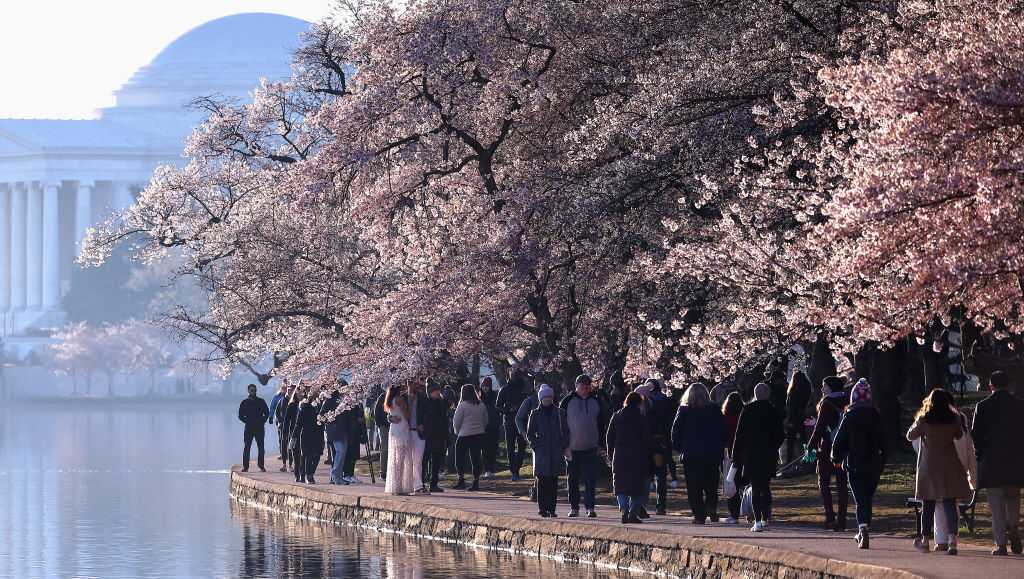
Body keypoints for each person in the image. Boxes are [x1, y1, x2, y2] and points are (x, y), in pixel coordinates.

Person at [908, 388, 971, 555]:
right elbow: (958, 436)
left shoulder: (924, 420)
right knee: (950, 503)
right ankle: (952, 541)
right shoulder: (954, 419)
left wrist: (918, 422)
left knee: (927, 504)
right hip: (950, 463)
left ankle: (925, 540)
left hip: (929, 466)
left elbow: (909, 435)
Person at [972, 370, 1024, 556]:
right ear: (1009, 385)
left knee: (996, 506)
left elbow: (975, 435)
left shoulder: (983, 406)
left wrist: (981, 453)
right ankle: (1014, 527)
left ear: (990, 385)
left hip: (992, 462)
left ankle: (1001, 544)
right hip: (1016, 461)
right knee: (1013, 499)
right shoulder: (1019, 405)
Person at [830, 379, 886, 550]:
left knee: (860, 499)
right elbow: (884, 442)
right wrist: (882, 460)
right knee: (867, 498)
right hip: (873, 464)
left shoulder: (850, 416)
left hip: (854, 463)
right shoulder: (876, 416)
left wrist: (836, 457)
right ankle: (864, 526)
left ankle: (862, 529)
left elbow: (839, 440)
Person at [732, 382, 785, 532]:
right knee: (765, 486)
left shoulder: (748, 410)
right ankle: (766, 517)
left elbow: (739, 434)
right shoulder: (774, 411)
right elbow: (780, 434)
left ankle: (758, 520)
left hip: (751, 453)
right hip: (768, 453)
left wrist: (736, 455)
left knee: (755, 487)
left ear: (755, 394)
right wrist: (773, 446)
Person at [672, 383, 725, 524]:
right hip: (711, 453)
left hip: (691, 454)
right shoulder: (714, 409)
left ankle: (699, 515)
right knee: (711, 484)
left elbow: (675, 432)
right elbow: (722, 430)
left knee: (694, 487)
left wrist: (680, 448)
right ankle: (711, 507)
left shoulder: (684, 410)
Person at [560, 374, 606, 518]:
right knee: (572, 479)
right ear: (576, 386)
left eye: (587, 385)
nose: (585, 388)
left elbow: (602, 423)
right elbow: (561, 425)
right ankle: (574, 507)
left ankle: (590, 507)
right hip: (572, 448)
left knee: (590, 479)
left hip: (591, 447)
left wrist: (601, 444)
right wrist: (564, 446)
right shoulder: (567, 401)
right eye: (582, 385)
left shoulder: (596, 401)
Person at [807, 375, 850, 531]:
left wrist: (810, 446)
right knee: (842, 485)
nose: (822, 388)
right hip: (843, 447)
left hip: (826, 448)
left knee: (824, 483)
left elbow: (819, 429)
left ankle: (830, 517)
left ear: (830, 387)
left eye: (824, 385)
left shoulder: (826, 404)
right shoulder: (847, 401)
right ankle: (842, 519)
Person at [607, 392, 652, 524]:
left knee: (620, 485)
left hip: (620, 454)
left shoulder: (617, 416)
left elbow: (610, 437)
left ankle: (623, 510)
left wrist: (610, 452)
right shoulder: (640, 417)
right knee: (637, 486)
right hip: (637, 455)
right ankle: (632, 513)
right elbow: (646, 438)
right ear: (639, 403)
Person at [527, 384, 567, 517]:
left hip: (555, 450)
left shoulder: (559, 413)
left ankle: (552, 508)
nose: (548, 399)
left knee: (553, 481)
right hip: (542, 451)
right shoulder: (535, 413)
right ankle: (542, 508)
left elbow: (566, 431)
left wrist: (562, 445)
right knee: (542, 481)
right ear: (541, 399)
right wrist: (536, 445)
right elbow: (530, 433)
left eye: (550, 397)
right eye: (546, 397)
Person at [643, 379, 676, 515]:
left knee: (645, 474)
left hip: (646, 443)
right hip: (661, 442)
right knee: (660, 474)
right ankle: (660, 505)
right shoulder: (665, 401)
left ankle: (642, 506)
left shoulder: (645, 403)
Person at [453, 383, 489, 490]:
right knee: (476, 458)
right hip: (478, 434)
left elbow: (456, 421)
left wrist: (457, 432)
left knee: (459, 457)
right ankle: (476, 481)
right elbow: (486, 420)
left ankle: (461, 479)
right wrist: (481, 428)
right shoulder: (481, 405)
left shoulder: (462, 405)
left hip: (464, 434)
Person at [496, 370, 531, 481]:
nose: (514, 375)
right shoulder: (504, 389)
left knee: (521, 448)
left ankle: (516, 468)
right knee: (510, 448)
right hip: (509, 422)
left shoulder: (525, 389)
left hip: (522, 422)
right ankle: (514, 471)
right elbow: (498, 406)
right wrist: (508, 409)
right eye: (512, 373)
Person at [384, 385, 417, 495]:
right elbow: (407, 414)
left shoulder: (390, 400)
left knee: (396, 457)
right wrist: (411, 406)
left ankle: (395, 485)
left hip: (394, 429)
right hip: (402, 427)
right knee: (402, 458)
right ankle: (400, 486)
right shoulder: (399, 399)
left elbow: (390, 415)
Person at [318, 385, 352, 485]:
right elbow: (321, 415)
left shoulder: (345, 399)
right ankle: (335, 475)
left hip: (344, 430)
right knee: (340, 452)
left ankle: (339, 476)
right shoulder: (331, 399)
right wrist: (332, 417)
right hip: (335, 430)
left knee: (342, 454)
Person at [421, 381, 450, 492]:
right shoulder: (426, 403)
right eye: (435, 391)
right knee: (425, 460)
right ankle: (422, 483)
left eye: (438, 390)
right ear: (430, 392)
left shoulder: (441, 402)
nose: (438, 392)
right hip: (429, 435)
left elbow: (444, 418)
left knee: (436, 461)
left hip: (439, 435)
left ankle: (434, 484)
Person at [722, 392, 744, 524]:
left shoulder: (725, 417)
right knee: (743, 482)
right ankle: (749, 510)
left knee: (731, 482)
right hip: (744, 453)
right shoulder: (743, 415)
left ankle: (734, 513)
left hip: (730, 454)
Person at [294, 387, 325, 484]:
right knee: (307, 455)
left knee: (317, 455)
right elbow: (299, 423)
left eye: (317, 392)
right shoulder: (305, 405)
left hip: (318, 433)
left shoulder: (320, 405)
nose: (316, 394)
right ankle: (307, 475)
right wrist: (294, 436)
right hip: (306, 434)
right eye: (313, 393)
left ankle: (308, 473)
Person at [238, 383, 270, 473]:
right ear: (248, 391)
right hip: (249, 427)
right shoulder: (244, 402)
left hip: (259, 427)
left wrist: (262, 421)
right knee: (247, 447)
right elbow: (240, 415)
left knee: (261, 447)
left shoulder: (261, 401)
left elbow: (267, 413)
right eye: (251, 390)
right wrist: (247, 421)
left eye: (254, 390)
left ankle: (261, 466)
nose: (253, 392)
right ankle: (245, 467)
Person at [406, 378, 430, 494]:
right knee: (407, 460)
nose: (413, 386)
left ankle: (418, 485)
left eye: (415, 384)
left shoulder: (423, 399)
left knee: (418, 460)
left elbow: (428, 415)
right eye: (411, 383)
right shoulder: (403, 398)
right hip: (406, 432)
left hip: (419, 433)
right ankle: (408, 484)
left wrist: (424, 425)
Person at [784, 371, 813, 464]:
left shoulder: (793, 391)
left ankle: (789, 462)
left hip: (794, 418)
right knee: (805, 440)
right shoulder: (808, 389)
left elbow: (792, 407)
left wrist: (790, 420)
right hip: (805, 417)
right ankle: (810, 459)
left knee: (791, 443)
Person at [479, 377, 500, 478]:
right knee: (485, 449)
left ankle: (491, 468)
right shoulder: (479, 398)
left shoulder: (495, 396)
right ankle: (487, 469)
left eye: (486, 386)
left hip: (494, 425)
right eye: (483, 386)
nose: (485, 388)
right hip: (483, 426)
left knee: (493, 448)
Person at [284, 386, 304, 482]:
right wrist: (285, 434)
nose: (301, 395)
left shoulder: (306, 405)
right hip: (294, 434)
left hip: (304, 434)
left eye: (302, 393)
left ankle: (303, 474)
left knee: (304, 455)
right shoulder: (291, 406)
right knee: (296, 455)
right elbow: (286, 421)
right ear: (295, 394)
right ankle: (297, 474)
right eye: (299, 393)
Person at [273, 383, 295, 472]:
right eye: (288, 390)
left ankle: (290, 464)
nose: (289, 391)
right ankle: (284, 464)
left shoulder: (294, 401)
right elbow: (277, 412)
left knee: (291, 445)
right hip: (283, 426)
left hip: (292, 426)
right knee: (284, 444)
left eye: (291, 390)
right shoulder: (282, 400)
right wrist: (279, 422)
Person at [373, 387, 390, 481]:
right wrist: (379, 424)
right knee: (384, 448)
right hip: (383, 426)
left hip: (392, 426)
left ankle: (389, 470)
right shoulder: (382, 397)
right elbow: (376, 412)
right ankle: (383, 472)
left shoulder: (396, 397)